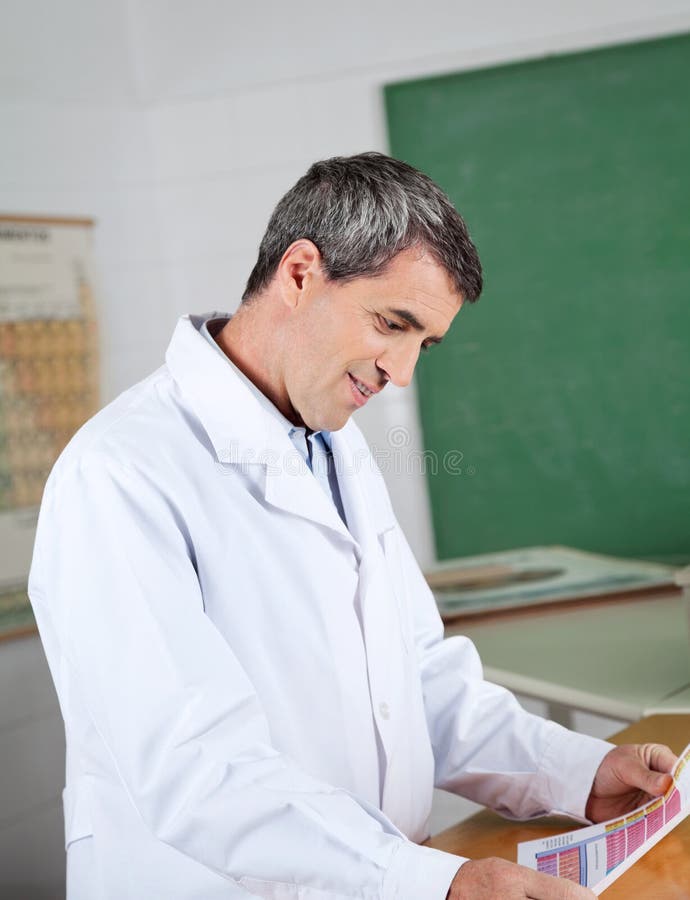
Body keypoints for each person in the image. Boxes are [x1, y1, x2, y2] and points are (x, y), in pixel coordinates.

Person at [29, 153, 676, 900]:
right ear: (301, 274)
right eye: (390, 324)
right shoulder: (120, 472)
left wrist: (577, 772)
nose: (400, 374)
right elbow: (196, 772)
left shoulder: (330, 438)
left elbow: (418, 678)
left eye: (422, 345)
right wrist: (429, 879)